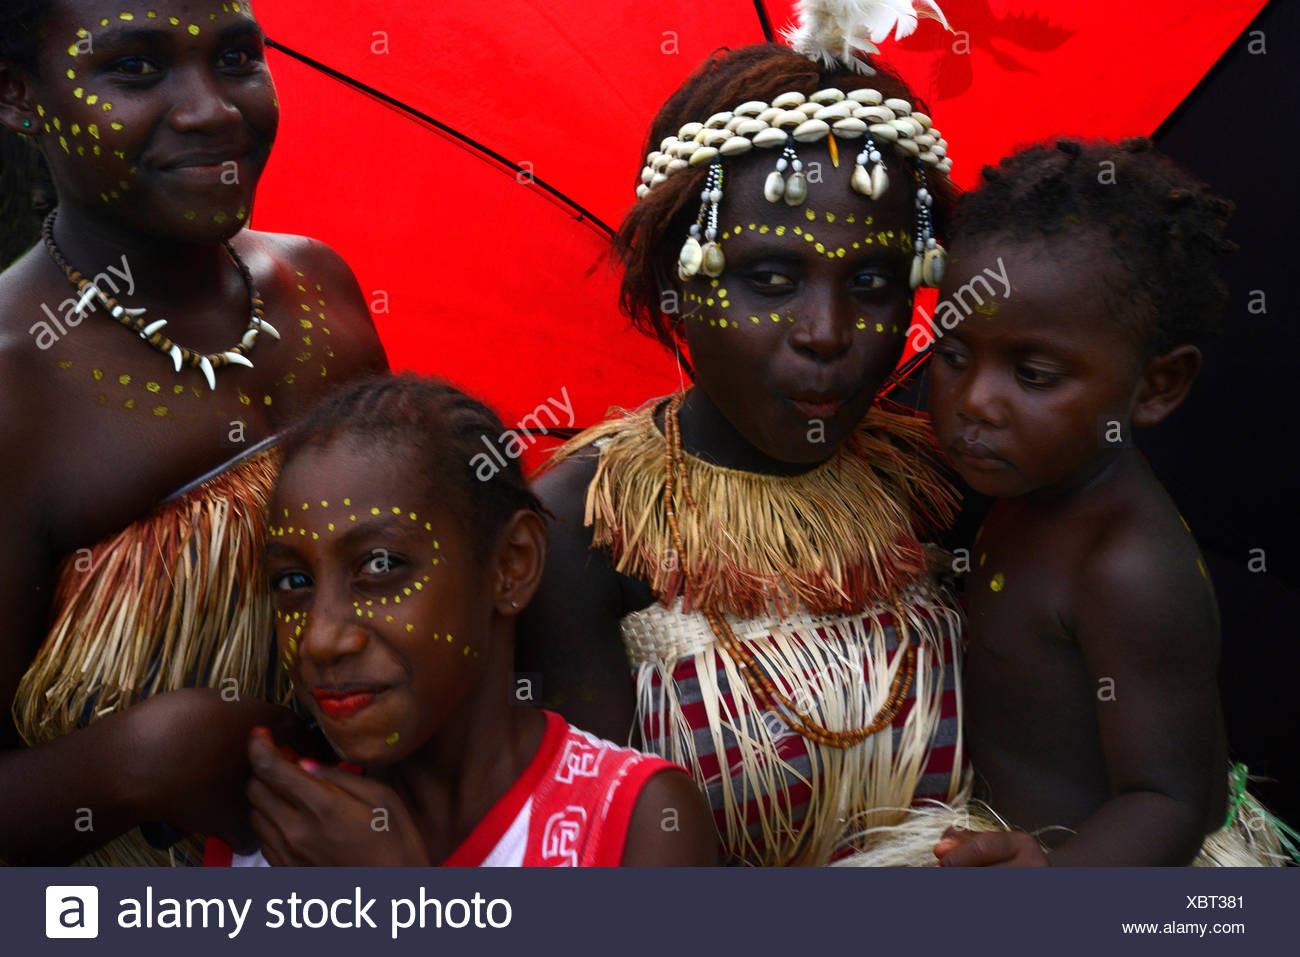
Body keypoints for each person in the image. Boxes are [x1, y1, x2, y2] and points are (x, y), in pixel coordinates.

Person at [516, 1, 969, 866]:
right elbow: (595, 858)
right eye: (771, 277)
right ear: (675, 284)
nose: (828, 330)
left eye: (874, 278)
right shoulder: (583, 525)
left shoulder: (946, 479)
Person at [0, 0, 387, 865]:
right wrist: (133, 766)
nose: (212, 109)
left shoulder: (316, 288)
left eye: (238, 56)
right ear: (17, 94)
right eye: (135, 68)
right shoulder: (14, 384)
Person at [925, 137, 1292, 865]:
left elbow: (1172, 801)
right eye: (954, 353)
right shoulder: (1029, 483)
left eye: (1032, 373)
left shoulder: (1125, 564)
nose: (974, 401)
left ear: (1156, 387)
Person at [201, 374, 717, 866]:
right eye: (293, 582)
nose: (319, 638)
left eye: (379, 567)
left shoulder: (633, 828)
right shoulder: (271, 828)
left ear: (511, 565)